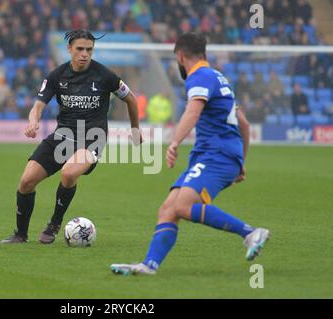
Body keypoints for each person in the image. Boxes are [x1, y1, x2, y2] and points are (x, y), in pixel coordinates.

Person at [110, 33, 270, 275]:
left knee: (183, 206)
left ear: (180, 56)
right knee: (168, 208)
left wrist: (174, 142)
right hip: (218, 155)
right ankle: (149, 265)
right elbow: (244, 123)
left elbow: (193, 112)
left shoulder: (199, 77)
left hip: (215, 155)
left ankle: (250, 232)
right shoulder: (219, 77)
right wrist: (240, 161)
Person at [1, 29, 141, 244]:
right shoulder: (57, 75)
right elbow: (38, 105)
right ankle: (20, 235)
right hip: (63, 135)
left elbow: (131, 99)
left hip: (93, 136)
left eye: (89, 50)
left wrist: (135, 128)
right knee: (26, 181)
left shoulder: (105, 75)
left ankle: (54, 224)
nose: (85, 54)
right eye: (80, 49)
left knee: (68, 174)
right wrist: (33, 121)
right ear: (69, 49)